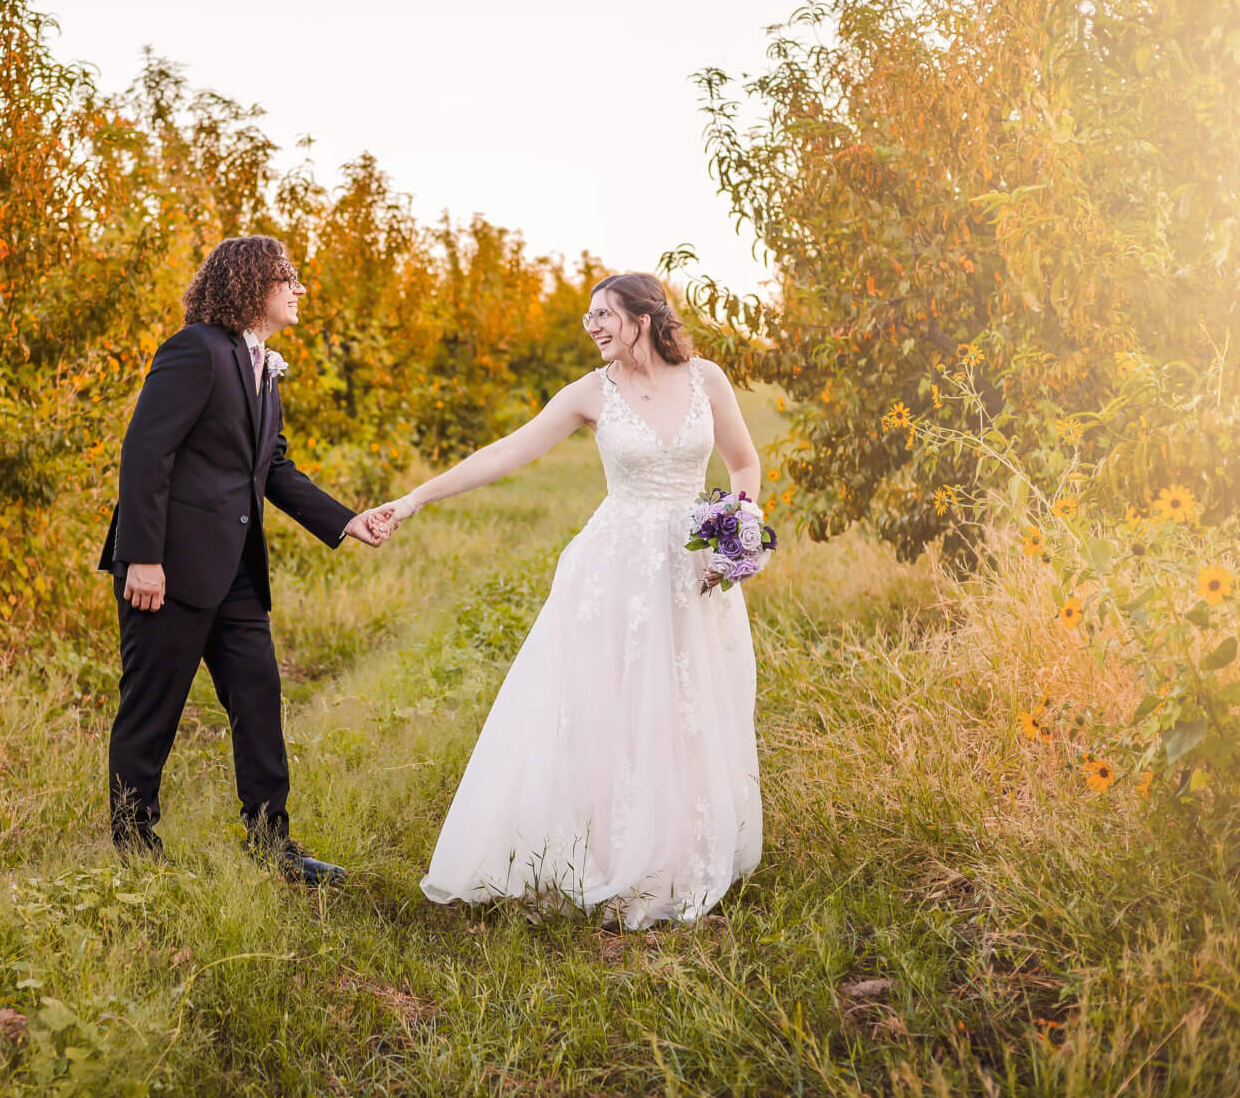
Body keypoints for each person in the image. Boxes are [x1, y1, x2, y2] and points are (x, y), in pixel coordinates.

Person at [375, 272, 763, 928]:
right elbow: (508, 451)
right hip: (613, 571)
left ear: (643, 317)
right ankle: (600, 849)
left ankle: (675, 852)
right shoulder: (590, 393)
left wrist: (734, 529)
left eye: (604, 314)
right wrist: (414, 498)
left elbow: (744, 464)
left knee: (683, 705)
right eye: (589, 317)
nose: (593, 327)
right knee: (606, 705)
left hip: (689, 568)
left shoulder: (708, 380)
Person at [99, 235, 393, 885]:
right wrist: (142, 556)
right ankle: (135, 857)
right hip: (167, 571)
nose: (299, 289)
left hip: (234, 573)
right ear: (253, 282)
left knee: (259, 698)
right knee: (152, 711)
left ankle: (272, 844)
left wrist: (348, 521)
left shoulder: (260, 366)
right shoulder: (194, 350)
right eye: (288, 277)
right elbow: (146, 452)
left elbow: (274, 468)